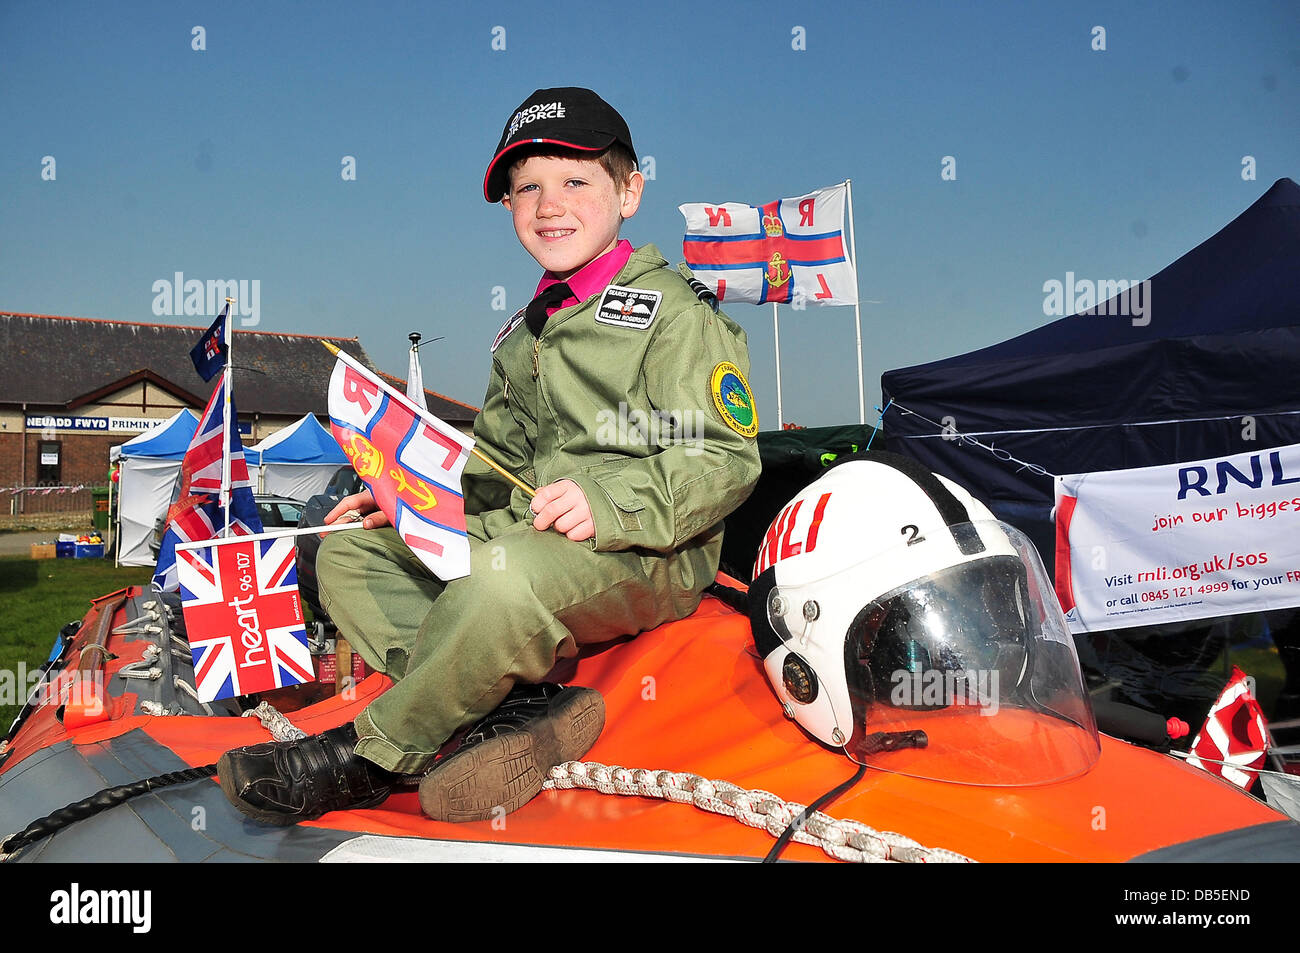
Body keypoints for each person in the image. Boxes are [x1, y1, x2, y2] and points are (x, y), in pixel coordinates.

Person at [216, 87, 762, 825]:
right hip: (528, 539)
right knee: (349, 553)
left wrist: (604, 503)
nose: (548, 204)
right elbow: (492, 463)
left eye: (575, 181)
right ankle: (505, 707)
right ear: (507, 207)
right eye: (525, 187)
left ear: (630, 191)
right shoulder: (522, 335)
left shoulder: (674, 312)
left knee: (499, 582)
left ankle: (373, 755)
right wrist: (407, 498)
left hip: (645, 546)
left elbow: (724, 458)